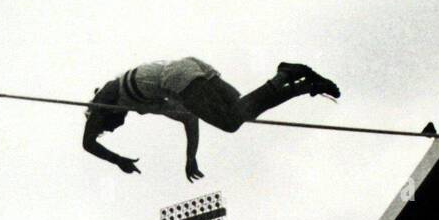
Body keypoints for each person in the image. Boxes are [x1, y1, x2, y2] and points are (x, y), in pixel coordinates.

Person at [82, 57, 340, 180]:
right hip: (191, 70)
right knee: (244, 113)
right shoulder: (147, 103)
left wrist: (117, 160)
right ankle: (304, 86)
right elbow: (189, 119)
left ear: (104, 114)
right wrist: (190, 156)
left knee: (230, 122)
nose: (115, 129)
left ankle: (284, 75)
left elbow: (88, 142)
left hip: (178, 79)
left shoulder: (108, 96)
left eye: (110, 128)